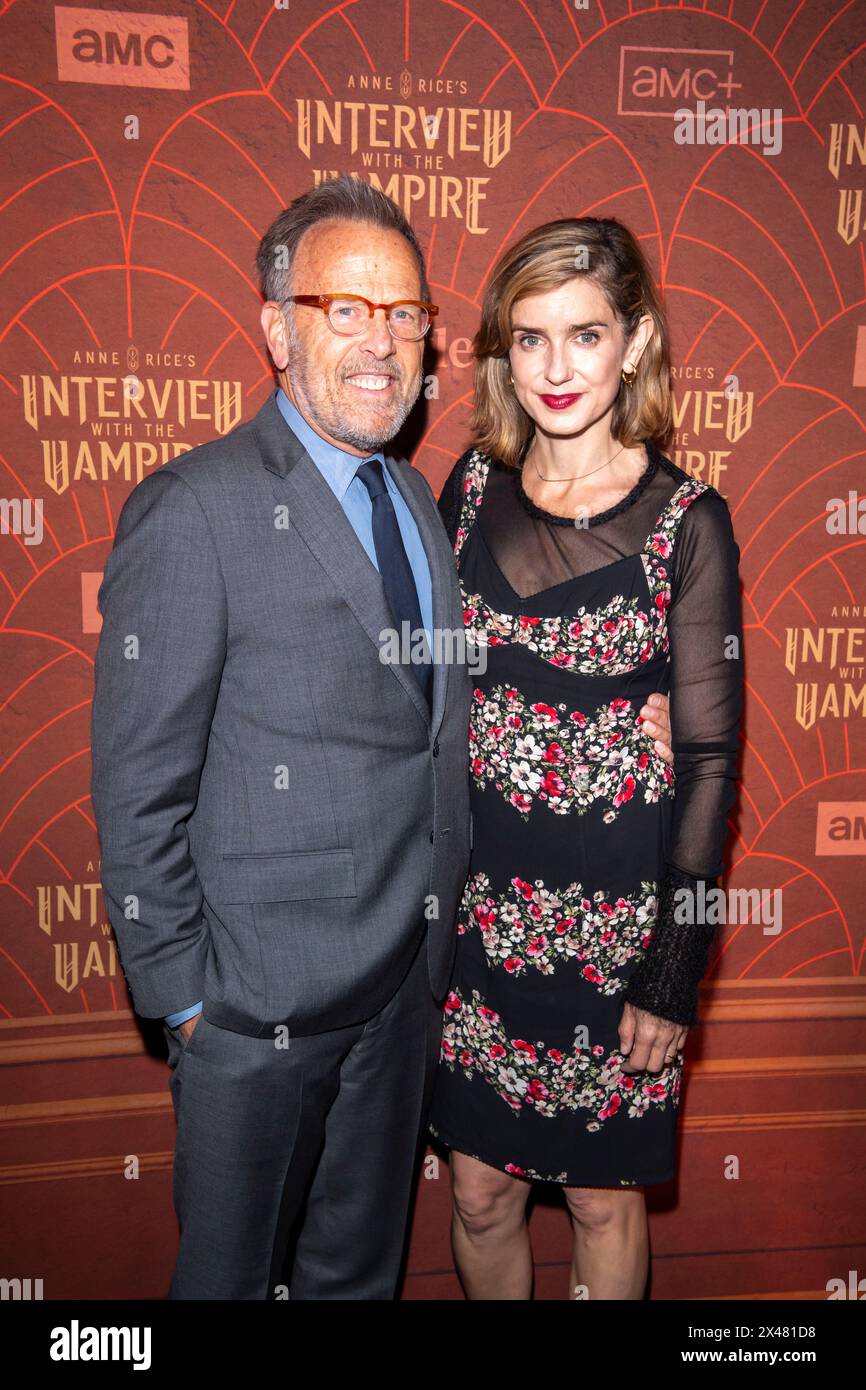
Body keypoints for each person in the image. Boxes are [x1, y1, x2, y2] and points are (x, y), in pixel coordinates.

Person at [90, 176, 674, 1300]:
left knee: (355, 1278)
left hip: (410, 990)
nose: (381, 342)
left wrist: (661, 710)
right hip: (252, 1010)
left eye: (403, 314)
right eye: (342, 309)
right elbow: (138, 785)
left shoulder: (421, 499)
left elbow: (487, 684)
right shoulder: (196, 507)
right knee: (227, 1278)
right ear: (276, 329)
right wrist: (188, 1005)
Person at [426, 215, 743, 1300]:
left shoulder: (687, 523)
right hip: (478, 914)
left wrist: (673, 967)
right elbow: (420, 687)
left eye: (584, 334)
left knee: (604, 1196)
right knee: (477, 1189)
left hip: (618, 924)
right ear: (499, 354)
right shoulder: (470, 489)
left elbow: (707, 765)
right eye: (527, 338)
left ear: (634, 341)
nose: (555, 368)